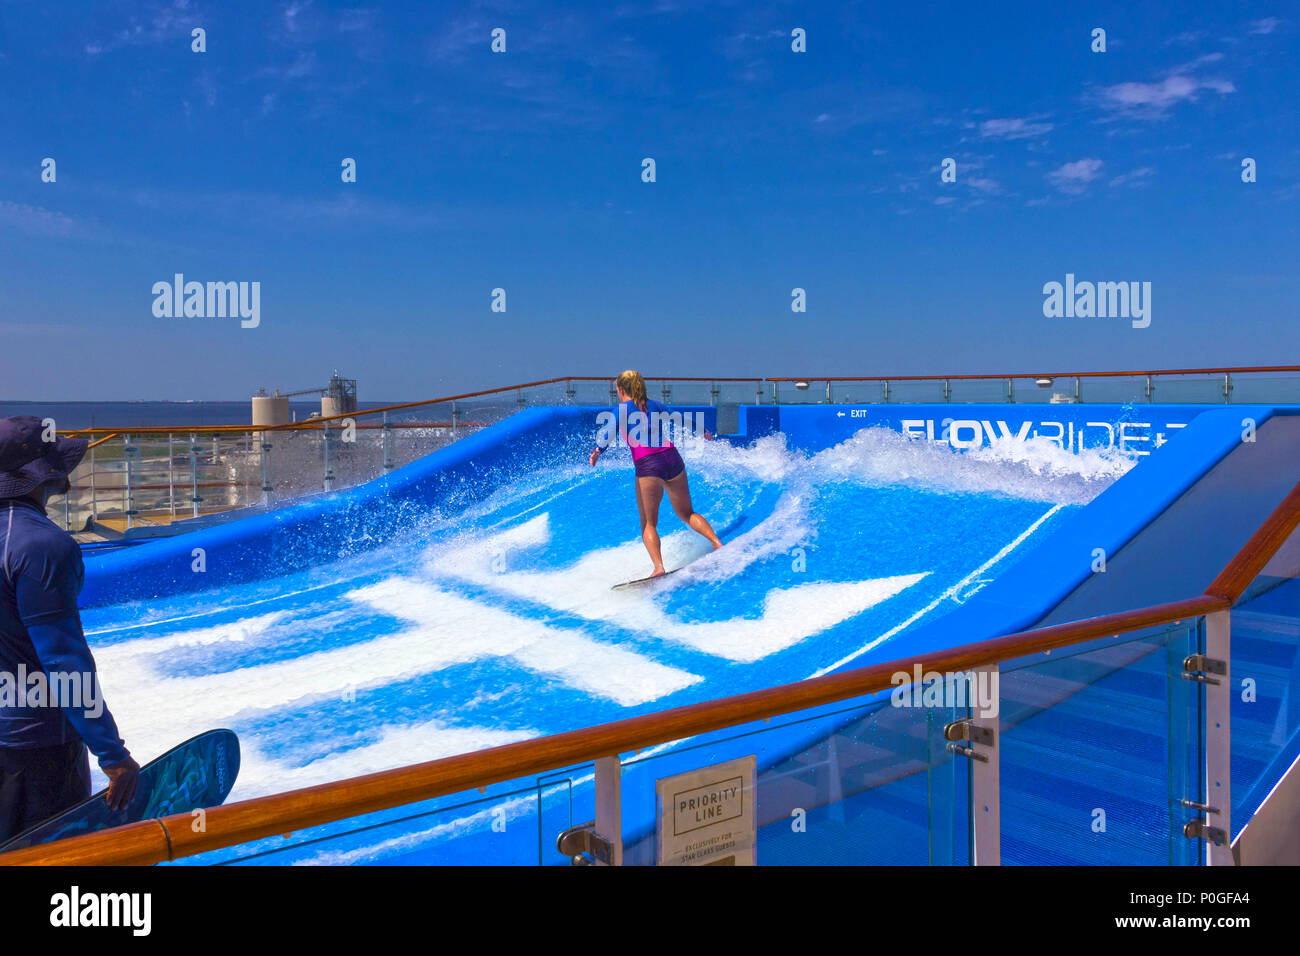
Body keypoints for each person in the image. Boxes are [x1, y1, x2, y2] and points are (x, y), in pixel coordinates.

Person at [0, 416, 139, 843]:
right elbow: (64, 661)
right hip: (38, 749)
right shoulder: (42, 547)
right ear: (42, 475)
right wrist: (112, 755)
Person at [589, 370, 722, 577]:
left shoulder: (622, 409)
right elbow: (681, 419)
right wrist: (701, 430)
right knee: (687, 513)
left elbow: (610, 431)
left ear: (621, 389)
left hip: (648, 464)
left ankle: (659, 567)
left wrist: (598, 450)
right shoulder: (655, 405)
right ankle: (717, 543)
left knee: (648, 523)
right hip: (672, 457)